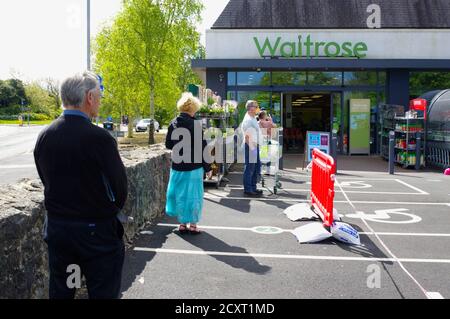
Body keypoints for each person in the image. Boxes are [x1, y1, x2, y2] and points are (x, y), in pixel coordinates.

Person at [34, 72, 128, 299]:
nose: (100, 100)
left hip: (61, 233)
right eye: (98, 95)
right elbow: (120, 188)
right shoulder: (100, 139)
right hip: (96, 238)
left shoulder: (45, 135)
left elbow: (46, 179)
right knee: (102, 291)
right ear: (88, 97)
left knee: (64, 291)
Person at [165, 92, 212, 234]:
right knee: (194, 195)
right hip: (194, 166)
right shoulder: (196, 125)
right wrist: (208, 167)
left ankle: (182, 224)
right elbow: (203, 148)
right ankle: (193, 225)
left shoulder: (173, 124)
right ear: (193, 109)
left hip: (178, 166)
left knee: (180, 194)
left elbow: (168, 144)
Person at [241, 100, 263, 196]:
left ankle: (253, 187)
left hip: (254, 145)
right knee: (250, 168)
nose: (258, 107)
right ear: (251, 108)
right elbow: (247, 136)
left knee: (254, 168)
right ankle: (248, 189)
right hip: (251, 146)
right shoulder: (248, 120)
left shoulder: (253, 117)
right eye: (256, 106)